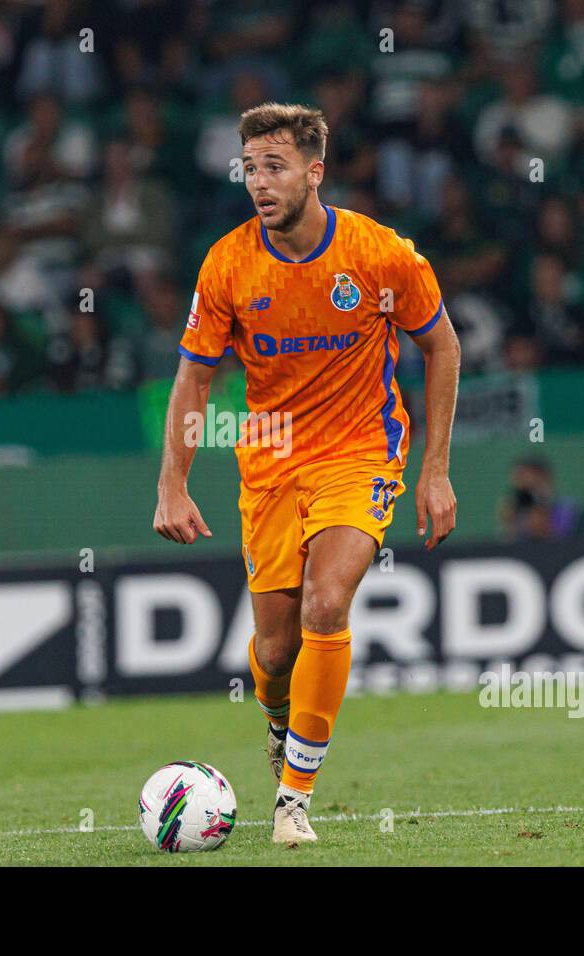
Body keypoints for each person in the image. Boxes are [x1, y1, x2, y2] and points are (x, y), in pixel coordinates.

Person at [153, 103, 460, 845]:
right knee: (274, 653)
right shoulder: (228, 263)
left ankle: (294, 798)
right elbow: (193, 379)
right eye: (250, 168)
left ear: (315, 172)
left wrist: (435, 472)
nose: (259, 182)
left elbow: (442, 347)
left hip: (362, 452)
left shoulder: (380, 253)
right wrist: (173, 482)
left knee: (328, 602)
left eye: (275, 167)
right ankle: (280, 720)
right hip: (269, 465)